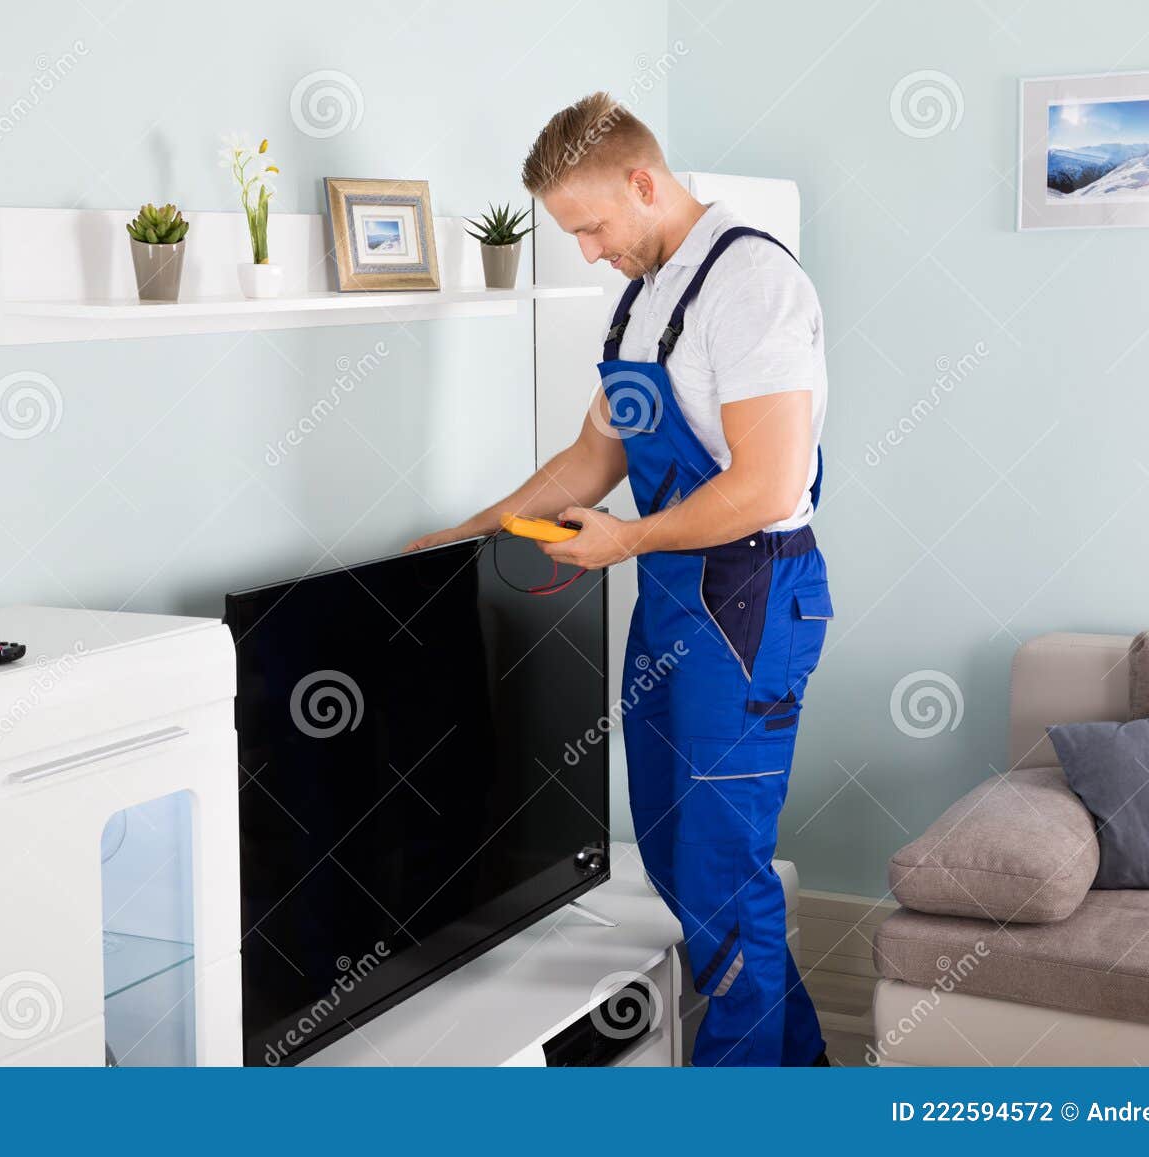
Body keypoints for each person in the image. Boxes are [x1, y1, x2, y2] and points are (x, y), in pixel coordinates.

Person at [406, 92, 833, 1067]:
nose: (589, 253)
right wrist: (466, 532)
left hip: (750, 599)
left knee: (724, 883)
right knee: (687, 870)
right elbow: (591, 458)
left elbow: (767, 483)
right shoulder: (642, 297)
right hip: (674, 596)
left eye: (592, 228)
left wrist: (627, 542)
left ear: (644, 183)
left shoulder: (751, 284)